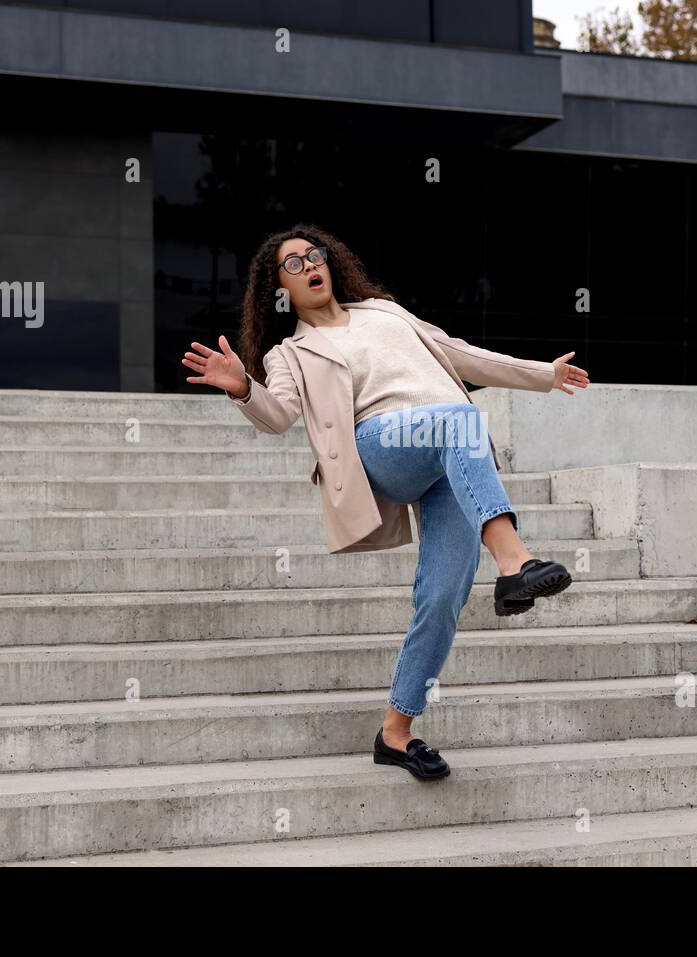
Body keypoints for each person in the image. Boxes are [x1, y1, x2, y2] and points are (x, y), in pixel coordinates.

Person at [182, 224, 590, 780]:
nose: (309, 266)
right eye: (293, 264)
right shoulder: (290, 352)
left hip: (454, 452)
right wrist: (242, 388)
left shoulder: (385, 312)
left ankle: (395, 733)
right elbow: (278, 415)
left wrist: (544, 375)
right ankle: (515, 563)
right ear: (278, 288)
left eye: (314, 255)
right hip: (381, 448)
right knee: (459, 418)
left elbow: (459, 354)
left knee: (442, 596)